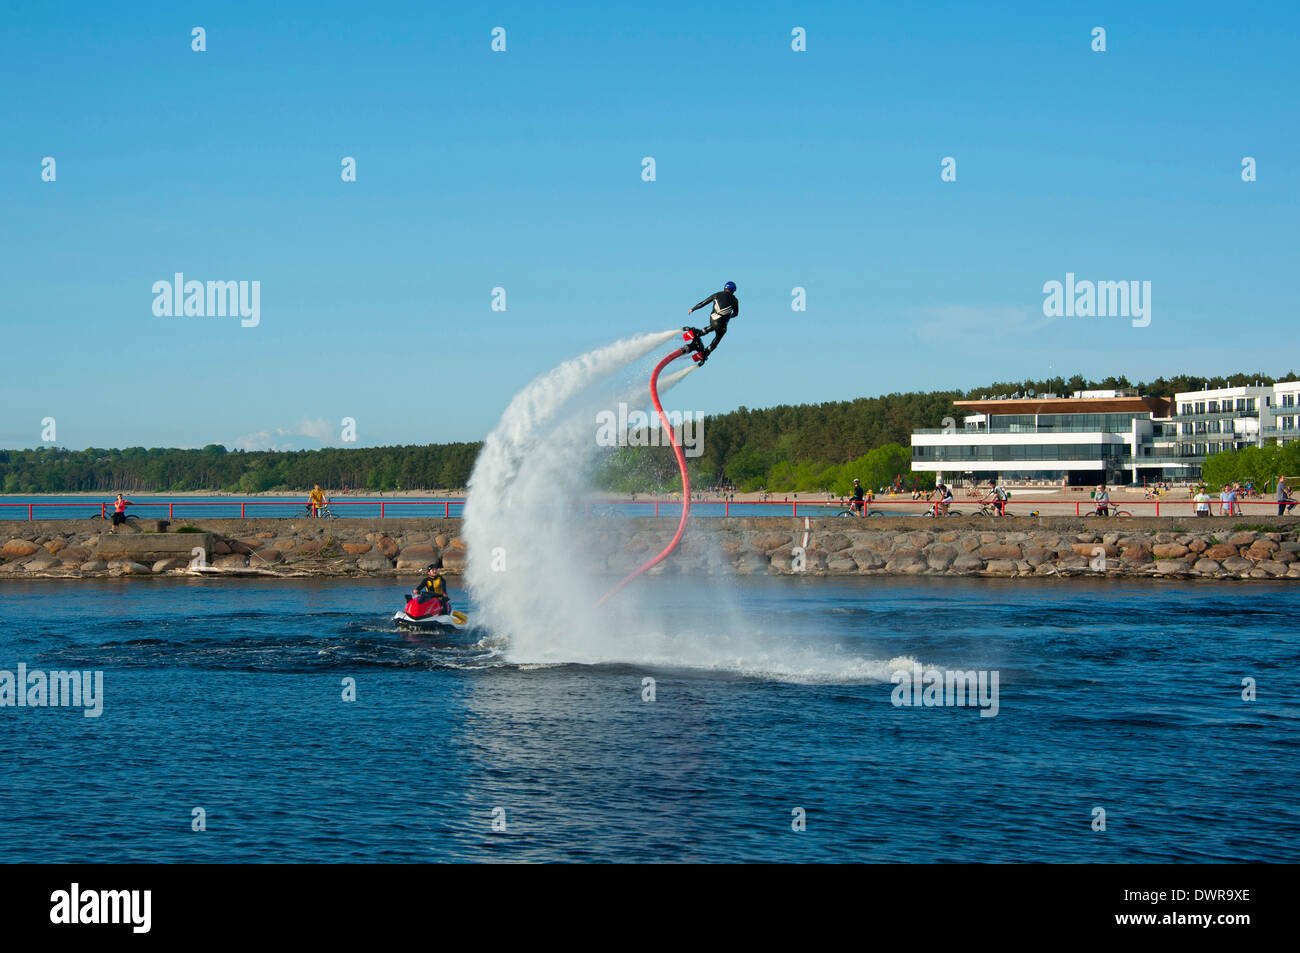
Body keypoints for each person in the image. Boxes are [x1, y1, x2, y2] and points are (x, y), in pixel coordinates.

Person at [685, 281, 739, 363]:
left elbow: (703, 303)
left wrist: (693, 309)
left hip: (712, 320)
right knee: (718, 337)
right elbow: (736, 314)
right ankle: (706, 352)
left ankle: (697, 333)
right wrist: (729, 316)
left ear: (725, 287)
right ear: (733, 290)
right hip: (722, 325)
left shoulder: (717, 294)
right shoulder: (735, 300)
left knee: (712, 326)